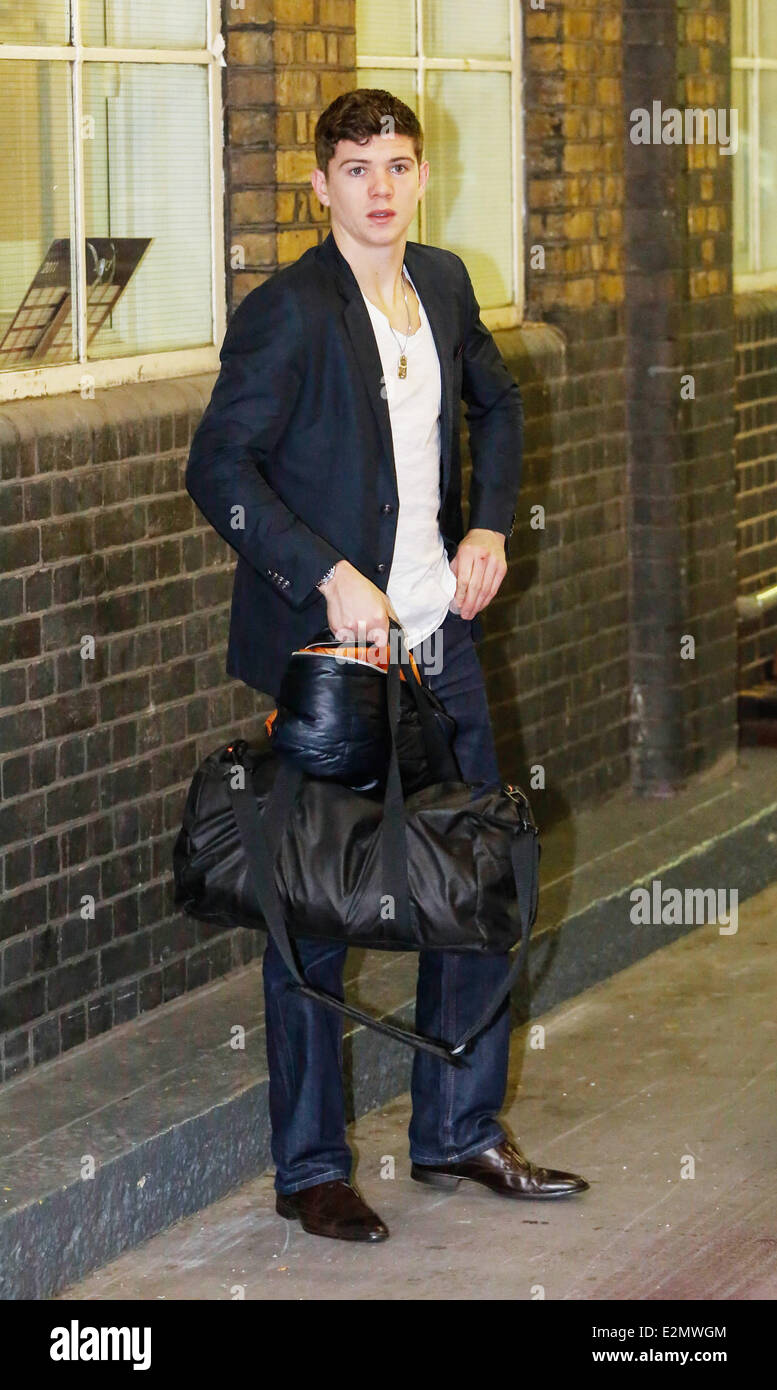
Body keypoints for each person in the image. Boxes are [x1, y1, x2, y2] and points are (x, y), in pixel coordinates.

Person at [186, 88, 588, 1243]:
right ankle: (310, 1164)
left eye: (397, 165)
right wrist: (323, 572)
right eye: (354, 167)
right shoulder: (290, 312)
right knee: (310, 907)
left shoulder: (446, 286)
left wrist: (491, 524)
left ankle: (458, 1129)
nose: (378, 186)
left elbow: (500, 407)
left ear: (421, 178)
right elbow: (219, 469)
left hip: (440, 643)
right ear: (320, 186)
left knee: (476, 871)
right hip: (333, 658)